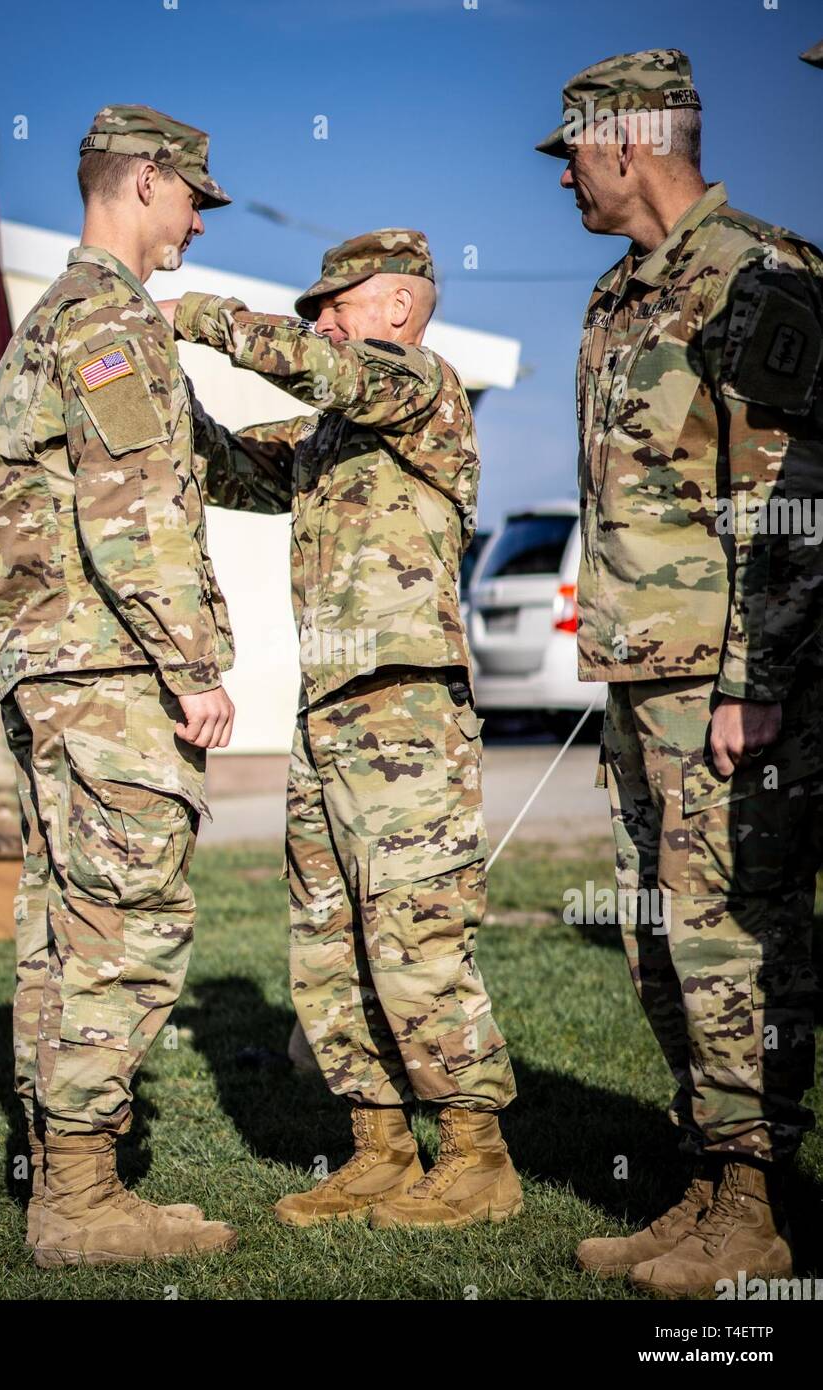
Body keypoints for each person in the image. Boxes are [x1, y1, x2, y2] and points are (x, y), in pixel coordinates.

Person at [157, 228, 522, 1230]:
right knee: (329, 939)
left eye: (339, 301)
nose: (322, 319)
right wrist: (160, 389)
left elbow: (318, 364)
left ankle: (478, 1158)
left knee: (415, 930)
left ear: (400, 305)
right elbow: (230, 465)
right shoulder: (332, 436)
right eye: (316, 306)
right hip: (326, 709)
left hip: (405, 708)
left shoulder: (419, 388)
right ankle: (378, 1147)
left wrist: (191, 316)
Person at [536, 49, 823, 1295]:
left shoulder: (762, 274)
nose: (564, 180)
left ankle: (756, 1206)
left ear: (626, 143)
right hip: (639, 681)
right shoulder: (617, 295)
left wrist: (754, 682)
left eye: (572, 156)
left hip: (728, 686)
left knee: (736, 939)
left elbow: (791, 506)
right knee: (661, 938)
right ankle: (702, 1181)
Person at [0, 104, 240, 1267]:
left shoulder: (50, 321)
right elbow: (131, 518)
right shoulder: (107, 322)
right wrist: (194, 666)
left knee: (61, 924)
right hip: (107, 675)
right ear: (143, 181)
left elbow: (174, 468)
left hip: (51, 676)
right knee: (125, 920)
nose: (196, 216)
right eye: (192, 194)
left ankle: (65, 1175)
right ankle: (81, 1198)